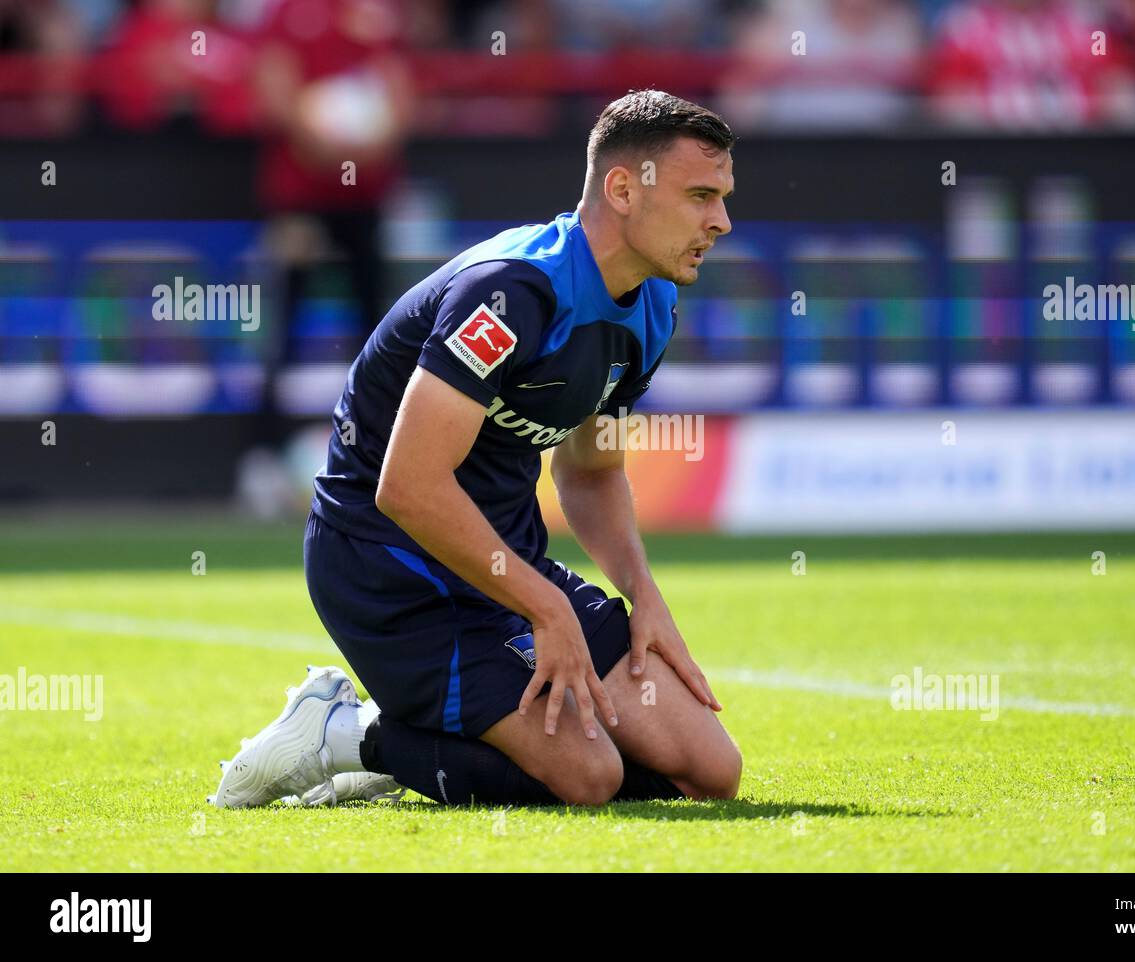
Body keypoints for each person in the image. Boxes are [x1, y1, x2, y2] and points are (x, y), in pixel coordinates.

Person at [211, 89, 742, 809]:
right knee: (590, 778)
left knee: (709, 772)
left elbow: (590, 472)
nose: (721, 221)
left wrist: (645, 597)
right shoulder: (510, 294)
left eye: (722, 197)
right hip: (384, 569)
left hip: (505, 569)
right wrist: (549, 611)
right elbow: (408, 488)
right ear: (624, 188)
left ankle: (445, 750)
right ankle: (347, 734)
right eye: (701, 195)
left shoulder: (651, 303)